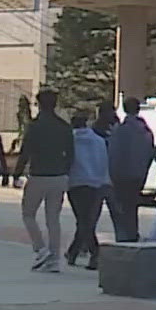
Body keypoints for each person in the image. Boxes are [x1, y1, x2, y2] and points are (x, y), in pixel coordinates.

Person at [14, 88, 74, 273]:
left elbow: (25, 152)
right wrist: (66, 171)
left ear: (39, 104)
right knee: (53, 218)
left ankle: (40, 248)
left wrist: (16, 173)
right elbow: (71, 154)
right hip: (59, 176)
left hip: (38, 175)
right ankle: (54, 259)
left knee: (28, 213)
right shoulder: (64, 126)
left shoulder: (35, 126)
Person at [65, 112, 111, 269]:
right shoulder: (99, 141)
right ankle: (73, 251)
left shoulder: (70, 140)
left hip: (76, 182)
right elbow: (104, 161)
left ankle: (94, 251)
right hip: (95, 183)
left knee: (83, 220)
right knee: (86, 219)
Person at [106, 96, 153, 243]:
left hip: (121, 175)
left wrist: (111, 175)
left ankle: (125, 237)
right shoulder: (146, 131)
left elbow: (113, 155)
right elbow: (149, 154)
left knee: (121, 208)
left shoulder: (120, 130)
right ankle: (133, 233)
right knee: (132, 206)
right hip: (138, 175)